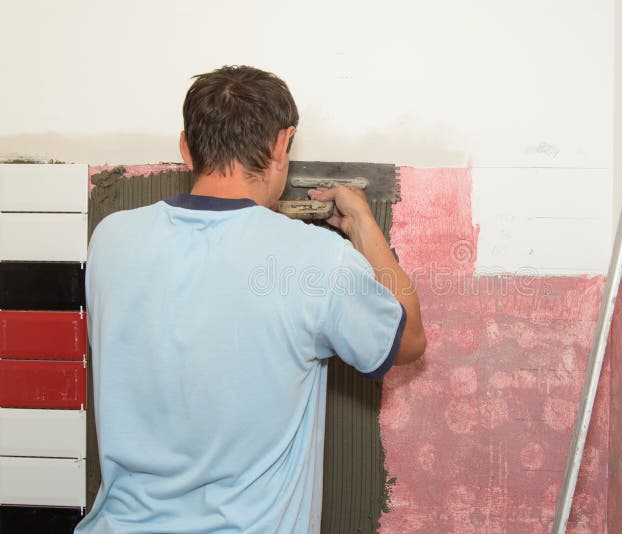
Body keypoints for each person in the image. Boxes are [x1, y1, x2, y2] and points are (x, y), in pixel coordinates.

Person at [75, 65, 426, 534]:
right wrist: (362, 224)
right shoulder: (318, 259)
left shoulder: (110, 240)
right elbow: (409, 341)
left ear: (186, 147)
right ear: (282, 144)